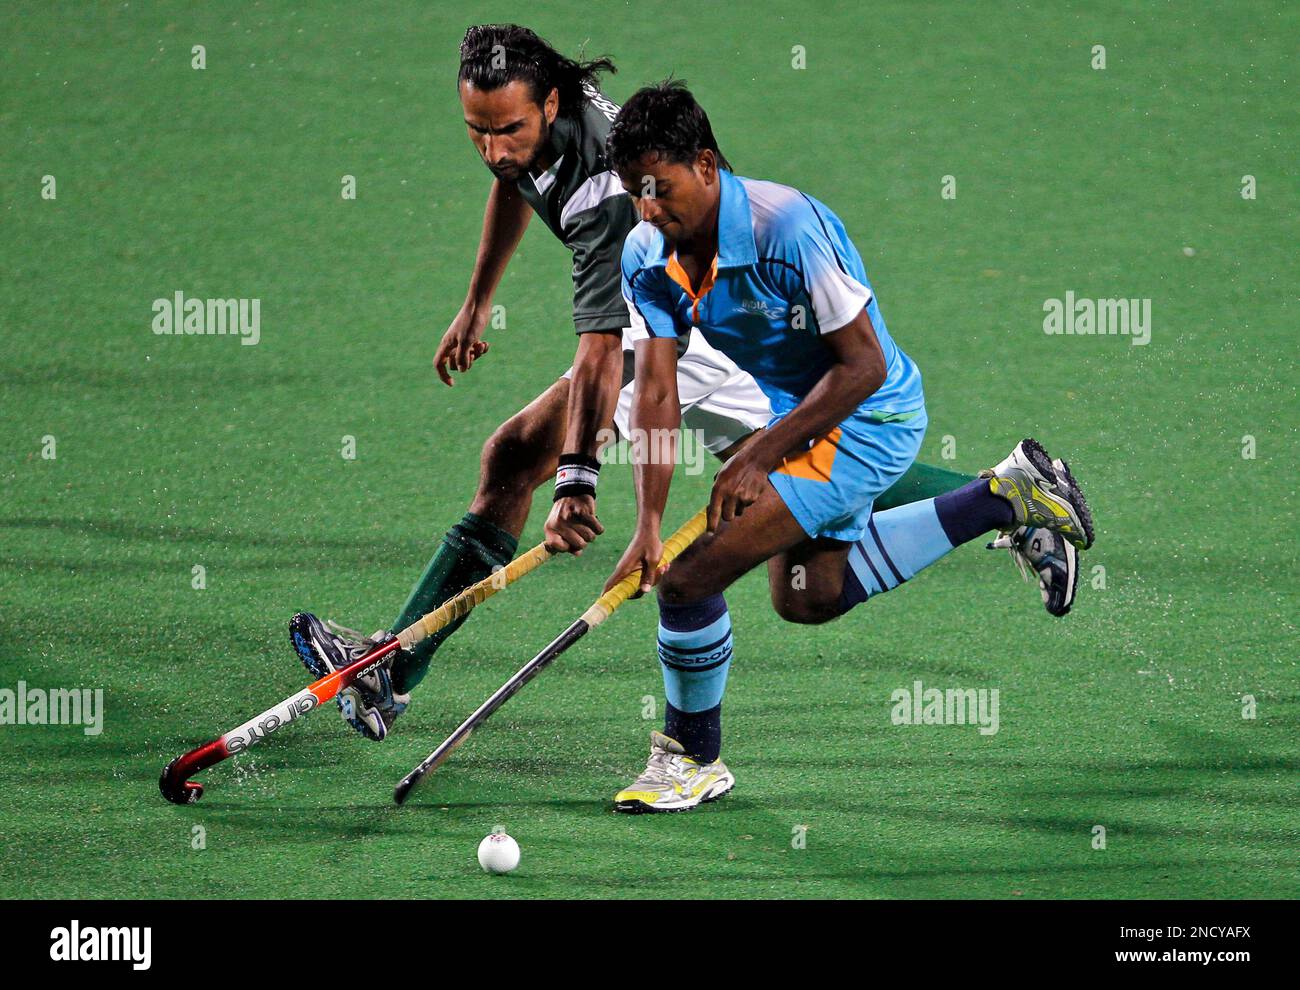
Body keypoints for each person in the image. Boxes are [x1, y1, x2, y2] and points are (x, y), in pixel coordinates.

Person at [288, 27, 1068, 744]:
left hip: (692, 338)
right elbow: (518, 180)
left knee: (531, 456)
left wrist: (578, 483)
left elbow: (600, 355)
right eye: (478, 133)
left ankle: (394, 671)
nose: (494, 150)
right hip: (671, 322)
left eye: (506, 132)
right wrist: (478, 298)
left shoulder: (614, 202)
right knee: (810, 518)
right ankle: (1010, 490)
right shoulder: (532, 118)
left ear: (550, 105)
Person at [601, 82, 1094, 812]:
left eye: (662, 189)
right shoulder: (648, 252)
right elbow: (657, 393)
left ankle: (691, 758)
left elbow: (864, 366)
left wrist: (761, 454)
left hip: (870, 419)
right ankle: (1002, 498)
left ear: (706, 164)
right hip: (798, 413)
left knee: (687, 579)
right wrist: (646, 523)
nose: (649, 210)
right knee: (809, 598)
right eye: (636, 194)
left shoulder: (785, 227)